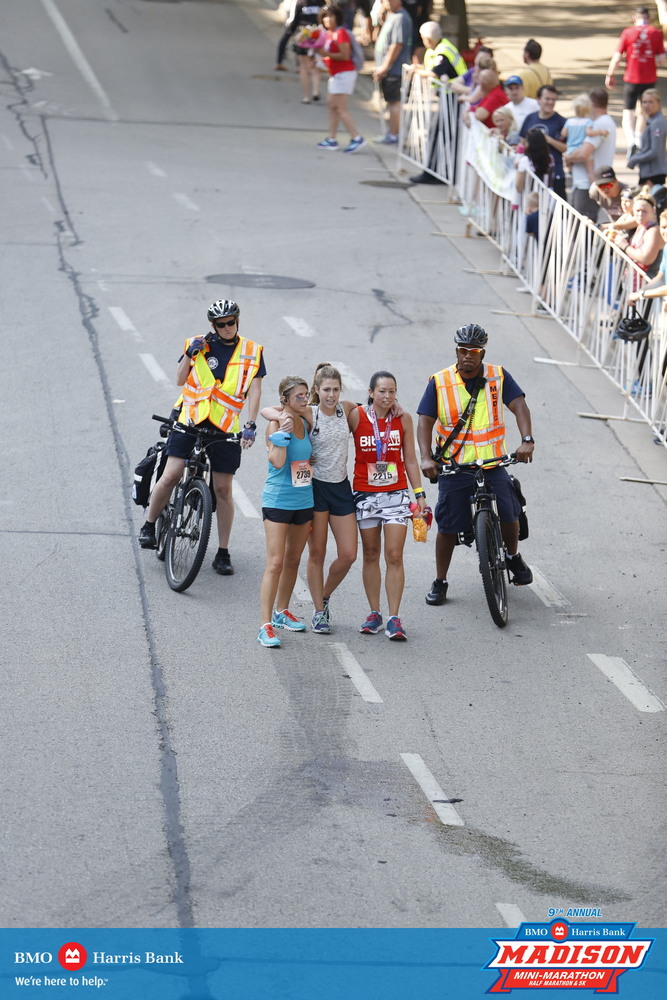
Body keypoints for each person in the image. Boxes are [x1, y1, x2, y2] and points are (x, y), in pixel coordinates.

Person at [138, 301, 265, 575]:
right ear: (213, 326)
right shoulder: (197, 344)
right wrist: (189, 354)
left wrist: (251, 424)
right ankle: (148, 525)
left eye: (231, 322)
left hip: (224, 427)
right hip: (191, 420)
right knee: (171, 475)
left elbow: (255, 391)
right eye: (221, 324)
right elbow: (180, 380)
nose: (227, 328)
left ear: (238, 321)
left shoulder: (252, 352)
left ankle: (222, 552)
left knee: (223, 490)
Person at [417, 324, 534, 606]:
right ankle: (440, 580)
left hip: (492, 462)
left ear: (482, 353)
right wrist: (425, 457)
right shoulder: (440, 381)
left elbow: (519, 405)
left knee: (509, 510)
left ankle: (512, 556)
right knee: (446, 527)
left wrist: (527, 440)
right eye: (462, 350)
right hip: (454, 466)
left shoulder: (498, 375)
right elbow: (424, 421)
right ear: (456, 351)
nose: (467, 356)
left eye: (474, 351)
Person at [261, 363, 364, 634]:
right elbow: (270, 410)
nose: (331, 394)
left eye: (336, 389)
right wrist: (281, 419)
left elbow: (374, 407)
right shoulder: (310, 412)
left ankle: (325, 595)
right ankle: (319, 611)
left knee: (349, 554)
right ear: (317, 390)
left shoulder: (347, 408)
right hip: (314, 489)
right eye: (326, 389)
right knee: (315, 553)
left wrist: (395, 406)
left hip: (341, 488)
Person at [348, 371, 427, 640]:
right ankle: (374, 613)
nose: (387, 396)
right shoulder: (357, 415)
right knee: (370, 553)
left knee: (394, 554)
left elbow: (411, 461)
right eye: (381, 391)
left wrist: (420, 496)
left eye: (392, 391)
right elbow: (333, 408)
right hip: (365, 494)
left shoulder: (403, 418)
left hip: (395, 494)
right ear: (370, 392)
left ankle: (394, 618)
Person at [258, 377, 314, 648]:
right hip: (278, 501)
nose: (304, 400)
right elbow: (278, 461)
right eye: (299, 397)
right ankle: (265, 625)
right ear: (285, 400)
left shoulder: (306, 420)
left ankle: (282, 612)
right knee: (276, 563)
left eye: (306, 395)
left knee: (293, 561)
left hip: (304, 500)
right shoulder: (276, 423)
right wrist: (281, 433)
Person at [605, 5, 666, 152]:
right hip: (649, 78)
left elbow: (618, 57)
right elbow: (661, 60)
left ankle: (631, 141)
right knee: (644, 110)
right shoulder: (656, 33)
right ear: (649, 19)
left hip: (631, 78)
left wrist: (610, 74)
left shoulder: (628, 32)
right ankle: (639, 141)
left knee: (628, 110)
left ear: (634, 19)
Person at [316, 5, 366, 152]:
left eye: (331, 16)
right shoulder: (330, 34)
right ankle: (332, 139)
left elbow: (344, 55)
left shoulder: (341, 33)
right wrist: (323, 59)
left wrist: (325, 54)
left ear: (337, 17)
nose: (328, 19)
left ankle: (356, 138)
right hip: (336, 74)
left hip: (344, 74)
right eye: (325, 16)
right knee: (332, 106)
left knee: (340, 108)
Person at [562, 94, 609, 221]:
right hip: (581, 148)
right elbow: (589, 133)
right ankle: (593, 185)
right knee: (590, 170)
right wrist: (600, 132)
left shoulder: (569, 121)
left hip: (571, 149)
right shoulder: (588, 122)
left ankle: (569, 170)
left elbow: (563, 134)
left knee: (570, 164)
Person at [372, 0, 413, 144]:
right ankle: (392, 132)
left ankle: (394, 134)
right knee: (390, 101)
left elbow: (397, 44)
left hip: (394, 69)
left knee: (394, 102)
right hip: (389, 68)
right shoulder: (393, 15)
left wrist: (385, 66)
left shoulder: (401, 17)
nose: (387, 2)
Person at [519, 85, 567, 199]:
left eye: (553, 99)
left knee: (555, 212)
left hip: (554, 175)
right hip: (531, 174)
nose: (550, 102)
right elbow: (522, 142)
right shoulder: (530, 118)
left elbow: (566, 148)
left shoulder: (562, 122)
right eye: (547, 99)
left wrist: (548, 140)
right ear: (539, 100)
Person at [613, 193, 665, 291]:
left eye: (644, 211)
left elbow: (646, 259)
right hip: (633, 283)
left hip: (647, 286)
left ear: (652, 211)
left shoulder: (653, 230)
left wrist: (625, 246)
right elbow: (618, 225)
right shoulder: (641, 226)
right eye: (638, 211)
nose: (640, 214)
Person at [287, 0, 327, 103]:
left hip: (313, 37)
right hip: (307, 37)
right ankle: (311, 93)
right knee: (310, 67)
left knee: (309, 67)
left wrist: (290, 32)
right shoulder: (306, 2)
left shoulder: (305, 2)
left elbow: (294, 20)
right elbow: (295, 19)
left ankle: (310, 94)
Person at [628, 88, 667, 185]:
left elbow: (655, 151)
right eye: (644, 102)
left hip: (653, 173)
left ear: (658, 103)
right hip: (647, 171)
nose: (647, 105)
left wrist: (635, 159)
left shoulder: (658, 123)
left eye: (651, 102)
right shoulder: (651, 120)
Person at [515, 128, 554, 197]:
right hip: (548, 198)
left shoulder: (525, 160)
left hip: (531, 198)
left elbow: (519, 187)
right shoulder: (550, 158)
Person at [500, 75, 539, 141]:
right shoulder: (506, 108)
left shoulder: (535, 104)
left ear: (523, 88)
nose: (514, 92)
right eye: (511, 88)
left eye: (517, 88)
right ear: (506, 90)